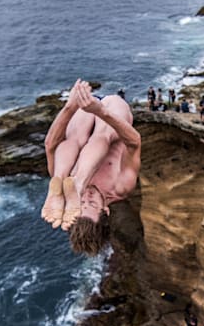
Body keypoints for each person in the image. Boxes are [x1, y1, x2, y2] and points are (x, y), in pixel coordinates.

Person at [40, 80, 142, 255]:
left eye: (81, 202)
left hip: (81, 120)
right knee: (102, 136)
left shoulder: (65, 183)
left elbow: (50, 145)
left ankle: (69, 178)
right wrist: (101, 111)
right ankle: (79, 181)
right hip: (111, 111)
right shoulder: (120, 187)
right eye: (92, 203)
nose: (87, 197)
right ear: (105, 210)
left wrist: (70, 107)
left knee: (74, 140)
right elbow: (134, 143)